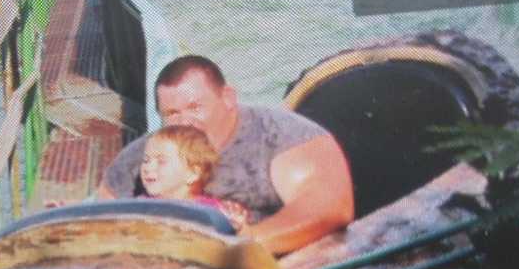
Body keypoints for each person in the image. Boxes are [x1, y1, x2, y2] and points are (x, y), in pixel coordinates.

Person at [98, 55, 354, 255]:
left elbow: (331, 207)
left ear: (228, 98)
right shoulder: (143, 156)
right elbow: (100, 215)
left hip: (271, 264)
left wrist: (242, 243)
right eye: (172, 114)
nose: (185, 121)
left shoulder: (282, 135)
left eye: (195, 107)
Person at [139, 124, 250, 230]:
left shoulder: (212, 212)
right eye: (146, 160)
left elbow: (241, 244)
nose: (148, 167)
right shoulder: (138, 207)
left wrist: (238, 226)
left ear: (192, 173)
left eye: (161, 161)